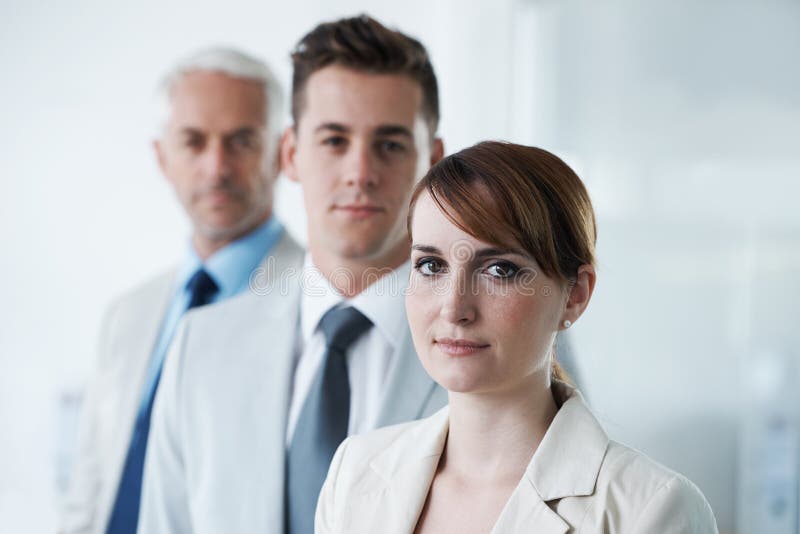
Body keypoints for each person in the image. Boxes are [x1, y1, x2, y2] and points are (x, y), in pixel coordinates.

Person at [137, 15, 447, 534]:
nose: (359, 172)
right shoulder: (201, 347)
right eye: (333, 140)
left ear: (432, 161)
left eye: (390, 144)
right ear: (290, 154)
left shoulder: (504, 344)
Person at [316, 141, 719, 534]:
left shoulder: (651, 510)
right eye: (430, 265)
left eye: (500, 270)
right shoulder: (355, 473)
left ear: (575, 295)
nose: (454, 307)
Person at [59, 48, 299, 534]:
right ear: (162, 157)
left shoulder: (318, 308)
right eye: (193, 141)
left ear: (281, 153)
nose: (217, 167)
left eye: (241, 141)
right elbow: (91, 483)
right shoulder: (128, 313)